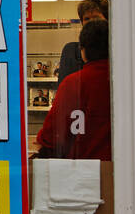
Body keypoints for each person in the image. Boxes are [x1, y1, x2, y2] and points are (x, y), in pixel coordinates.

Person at [35, 18, 111, 160]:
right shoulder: (123, 82)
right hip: (122, 171)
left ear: (83, 50)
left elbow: (52, 136)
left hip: (81, 170)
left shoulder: (73, 83)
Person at [57, 0, 108, 85]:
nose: (92, 22)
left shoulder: (115, 48)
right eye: (87, 19)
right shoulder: (72, 51)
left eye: (96, 18)